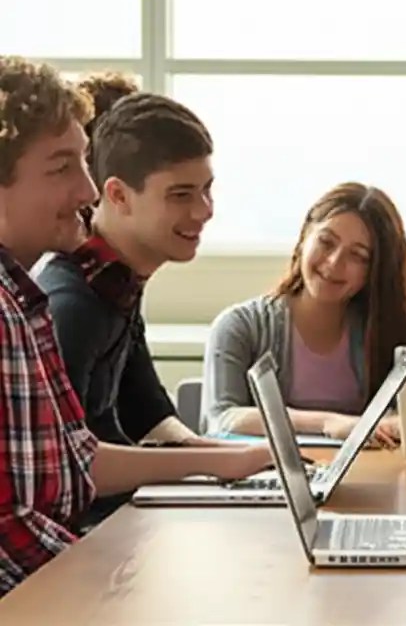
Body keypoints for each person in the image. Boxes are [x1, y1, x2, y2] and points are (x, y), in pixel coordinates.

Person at [0, 56, 270, 596]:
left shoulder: (25, 299)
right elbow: (18, 522)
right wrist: (117, 592)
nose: (87, 191)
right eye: (61, 168)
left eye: (84, 163)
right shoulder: (53, 303)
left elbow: (79, 461)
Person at [202, 183, 406, 447]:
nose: (334, 263)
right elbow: (222, 421)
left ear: (374, 272)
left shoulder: (386, 329)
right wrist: (329, 424)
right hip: (270, 482)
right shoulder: (242, 326)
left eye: (357, 256)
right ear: (304, 238)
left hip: (365, 480)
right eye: (326, 242)